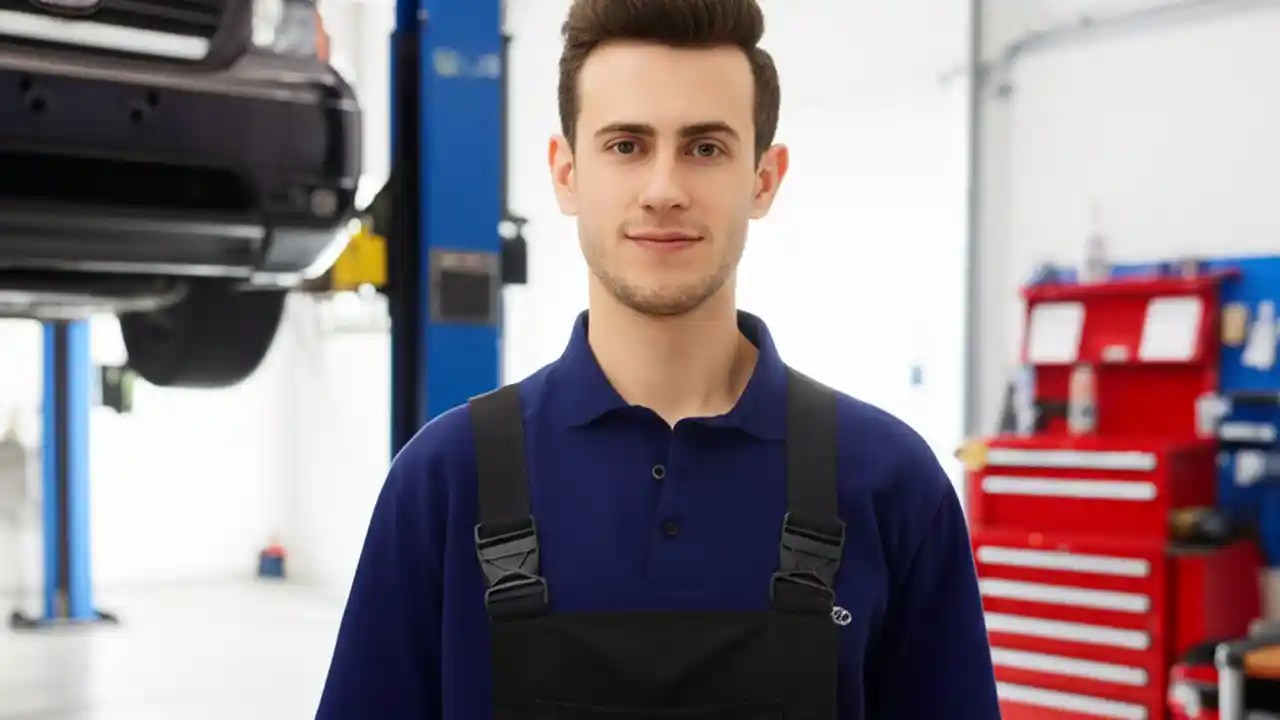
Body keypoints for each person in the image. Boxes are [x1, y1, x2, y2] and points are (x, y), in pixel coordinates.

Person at [316, 0, 1000, 717]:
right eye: (626, 145)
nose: (664, 190)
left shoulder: (889, 485)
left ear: (764, 179)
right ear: (566, 172)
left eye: (705, 148)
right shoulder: (444, 485)